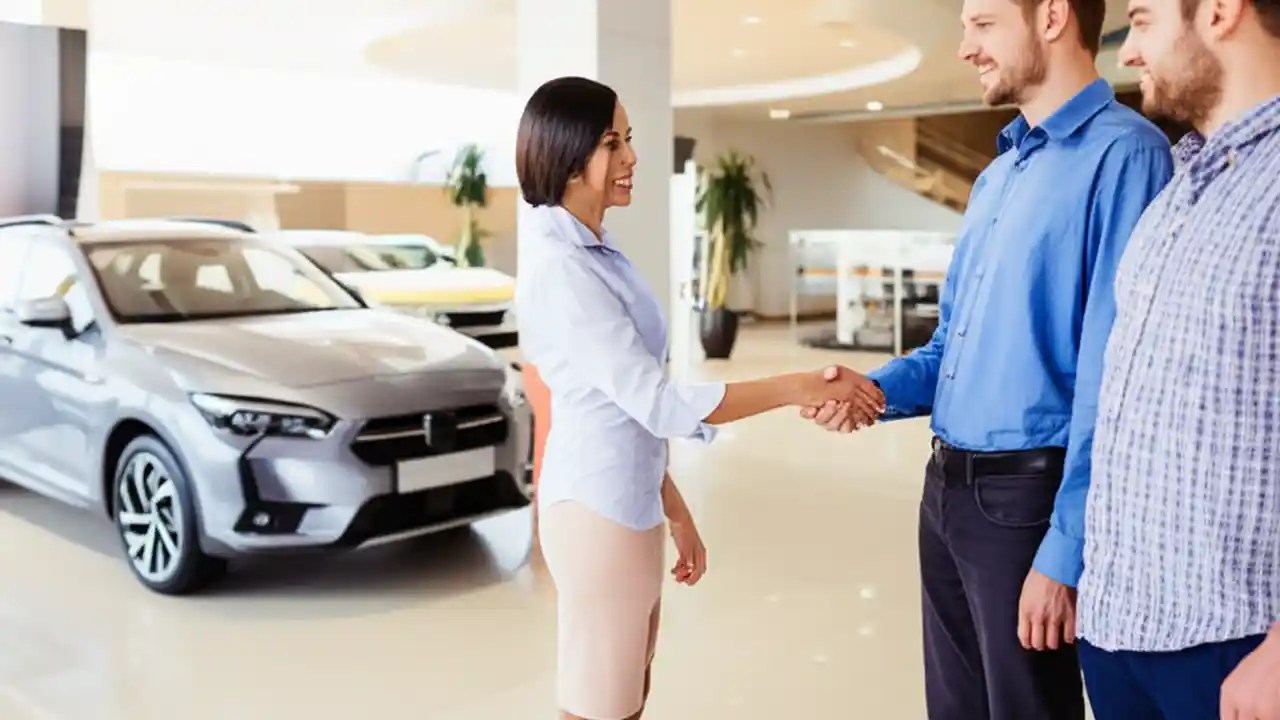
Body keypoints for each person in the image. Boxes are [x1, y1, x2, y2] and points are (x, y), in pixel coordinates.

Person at [804, 0, 1174, 717]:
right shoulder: (997, 176)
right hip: (945, 491)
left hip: (1027, 502)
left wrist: (1066, 548)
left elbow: (1114, 377)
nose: (966, 47)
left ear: (1053, 17)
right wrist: (870, 390)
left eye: (982, 23)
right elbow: (952, 348)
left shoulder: (1126, 155)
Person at [513, 75, 884, 720]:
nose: (631, 158)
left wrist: (674, 507)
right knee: (600, 703)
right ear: (568, 157)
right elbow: (654, 402)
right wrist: (796, 386)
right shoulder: (564, 269)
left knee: (625, 692)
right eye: (612, 142)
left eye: (628, 140)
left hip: (625, 500)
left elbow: (625, 409)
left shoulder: (594, 250)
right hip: (597, 509)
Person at [1069, 0, 1280, 717]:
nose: (1127, 53)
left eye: (1143, 21)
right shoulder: (1177, 190)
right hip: (1122, 629)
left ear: (1219, 12)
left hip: (1239, 645)